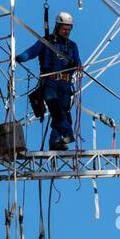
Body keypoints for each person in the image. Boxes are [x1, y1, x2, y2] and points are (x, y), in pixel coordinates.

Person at [15, 11, 81, 151]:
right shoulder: (46, 42)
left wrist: (75, 65)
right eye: (64, 29)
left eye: (69, 29)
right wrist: (20, 57)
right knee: (54, 104)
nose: (66, 32)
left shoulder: (72, 46)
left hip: (65, 84)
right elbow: (32, 52)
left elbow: (79, 65)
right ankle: (67, 132)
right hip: (50, 82)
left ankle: (55, 141)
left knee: (63, 111)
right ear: (57, 27)